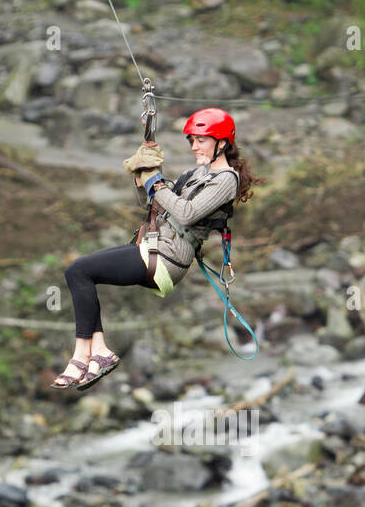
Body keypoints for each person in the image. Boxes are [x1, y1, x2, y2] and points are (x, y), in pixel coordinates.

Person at [51, 108, 260, 390]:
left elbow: (186, 213)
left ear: (221, 143)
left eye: (201, 140)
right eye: (192, 140)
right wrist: (143, 175)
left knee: (80, 270)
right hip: (154, 248)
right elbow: (154, 203)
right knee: (79, 272)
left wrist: (155, 181)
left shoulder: (226, 179)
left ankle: (86, 353)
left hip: (166, 258)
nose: (194, 146)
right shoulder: (194, 174)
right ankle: (95, 350)